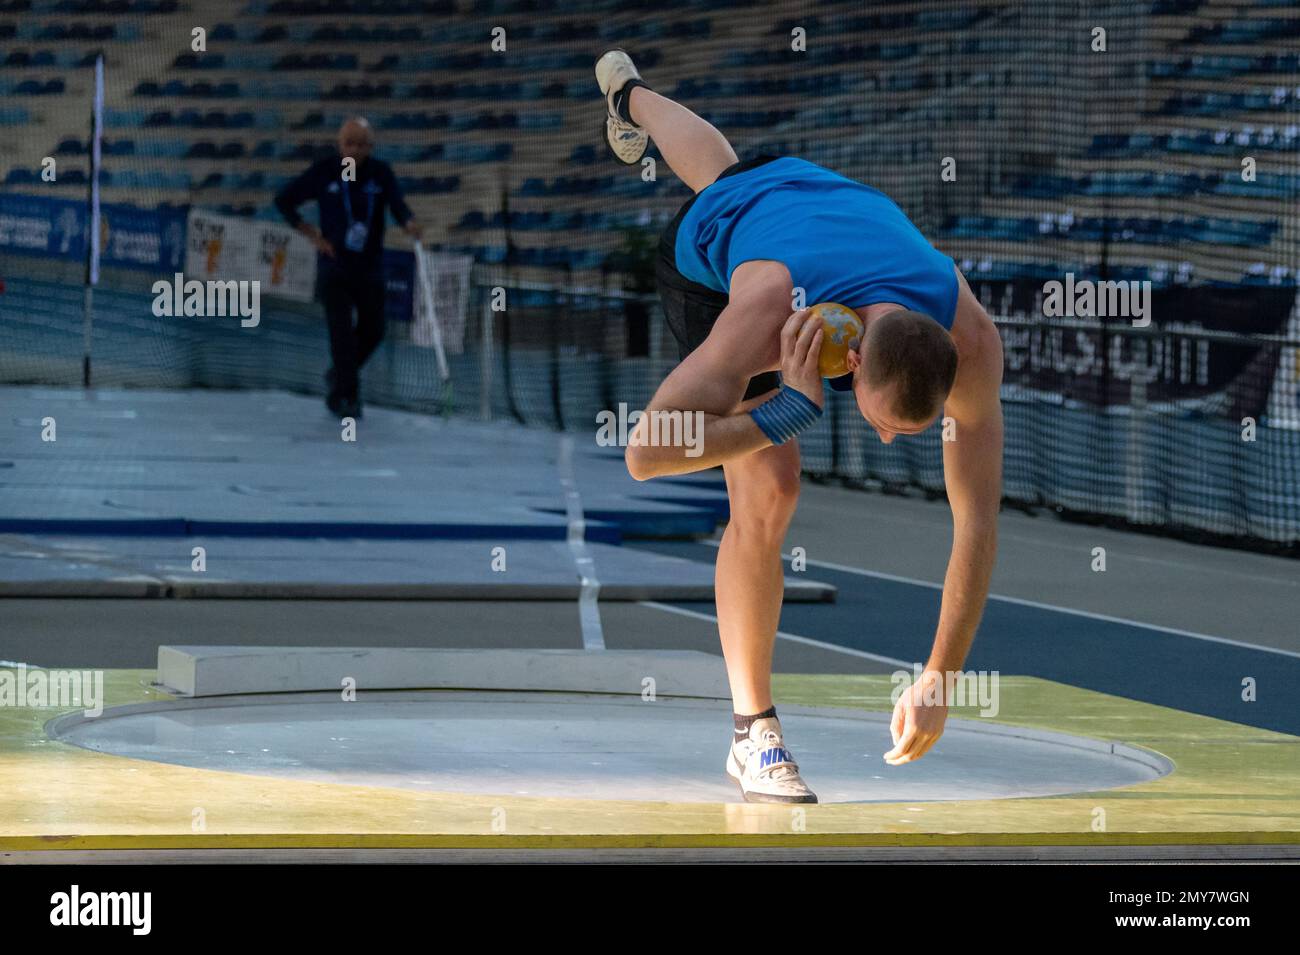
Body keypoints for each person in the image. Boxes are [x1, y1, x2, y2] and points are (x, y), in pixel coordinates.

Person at [596, 51, 1005, 803]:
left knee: (719, 174)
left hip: (798, 192)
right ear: (847, 357)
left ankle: (629, 95)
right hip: (719, 261)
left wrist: (940, 678)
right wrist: (781, 410)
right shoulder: (768, 312)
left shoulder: (971, 340)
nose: (883, 439)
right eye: (880, 420)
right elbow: (644, 453)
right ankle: (753, 733)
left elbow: (976, 522)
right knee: (772, 488)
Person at [275, 117, 423, 417]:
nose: (354, 149)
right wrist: (310, 233)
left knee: (374, 329)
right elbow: (284, 200)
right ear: (340, 145)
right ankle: (347, 397)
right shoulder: (325, 171)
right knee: (340, 332)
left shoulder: (380, 174)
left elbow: (397, 204)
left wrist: (409, 223)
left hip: (368, 266)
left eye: (360, 144)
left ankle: (340, 376)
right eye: (348, 143)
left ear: (370, 147)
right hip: (335, 266)